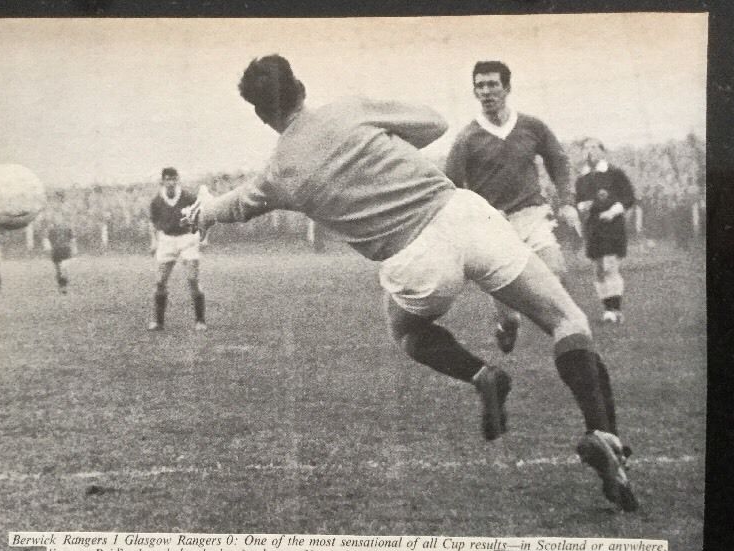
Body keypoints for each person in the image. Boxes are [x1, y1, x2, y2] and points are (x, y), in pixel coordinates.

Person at [183, 55, 638, 511]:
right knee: (567, 320)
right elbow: (434, 124)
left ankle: (482, 375)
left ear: (263, 115)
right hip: (463, 216)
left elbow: (233, 206)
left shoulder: (277, 174)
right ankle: (603, 432)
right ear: (300, 87)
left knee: (405, 330)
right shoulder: (350, 109)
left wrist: (203, 210)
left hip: (415, 260)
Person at [445, 61, 581, 354]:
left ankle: (568, 337)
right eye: (480, 86)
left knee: (555, 273)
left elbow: (559, 161)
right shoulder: (467, 137)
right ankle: (506, 324)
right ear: (474, 92)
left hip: (532, 215)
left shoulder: (532, 126)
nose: (486, 91)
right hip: (493, 225)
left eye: (492, 84)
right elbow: (451, 187)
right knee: (508, 309)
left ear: (507, 88)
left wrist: (568, 203)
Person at [575, 138, 636, 324]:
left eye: (594, 147)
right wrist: (582, 206)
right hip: (593, 226)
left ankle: (615, 309)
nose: (590, 151)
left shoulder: (614, 173)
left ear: (602, 151)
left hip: (612, 225)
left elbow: (629, 197)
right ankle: (607, 309)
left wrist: (612, 211)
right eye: (586, 147)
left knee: (610, 265)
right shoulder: (582, 178)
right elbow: (578, 201)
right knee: (599, 269)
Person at [148, 167, 206, 332]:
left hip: (187, 238)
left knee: (192, 279)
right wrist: (154, 241)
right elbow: (152, 223)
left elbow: (201, 216)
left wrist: (203, 237)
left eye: (174, 179)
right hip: (166, 240)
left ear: (178, 180)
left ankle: (200, 320)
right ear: (163, 181)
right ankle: (158, 322)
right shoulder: (157, 201)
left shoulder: (188, 197)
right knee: (160, 281)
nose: (171, 182)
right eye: (168, 179)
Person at [46, 211, 76, 295]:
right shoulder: (52, 229)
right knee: (58, 270)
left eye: (59, 218)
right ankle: (61, 287)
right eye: (56, 218)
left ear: (62, 219)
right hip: (56, 251)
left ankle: (64, 287)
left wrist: (73, 248)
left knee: (64, 268)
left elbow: (72, 238)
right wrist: (51, 248)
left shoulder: (67, 228)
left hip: (65, 250)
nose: (57, 220)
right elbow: (49, 240)